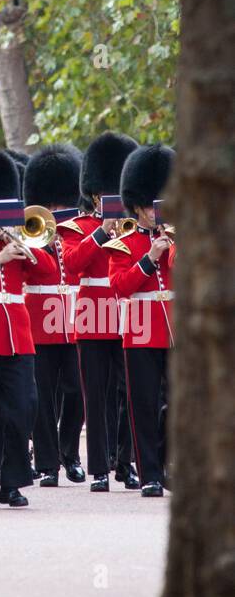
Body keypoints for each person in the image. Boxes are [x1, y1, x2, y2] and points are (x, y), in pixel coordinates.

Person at [0, 149, 61, 508]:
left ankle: (13, 483)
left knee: (23, 410)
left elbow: (48, 270)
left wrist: (24, 246)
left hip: (19, 340)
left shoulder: (17, 242)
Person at [61, 131, 140, 492]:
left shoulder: (135, 228)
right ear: (95, 195)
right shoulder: (77, 228)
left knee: (129, 394)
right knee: (96, 395)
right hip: (93, 314)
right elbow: (74, 265)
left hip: (125, 314)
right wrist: (101, 234)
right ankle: (99, 469)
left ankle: (125, 462)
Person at [106, 144, 175, 498]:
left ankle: (167, 464)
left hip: (177, 330)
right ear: (136, 206)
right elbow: (120, 286)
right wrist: (150, 257)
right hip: (141, 329)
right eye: (149, 205)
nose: (154, 211)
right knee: (143, 405)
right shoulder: (124, 244)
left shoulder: (182, 238)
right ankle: (149, 473)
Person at [22, 144, 86, 486]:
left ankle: (70, 453)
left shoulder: (78, 231)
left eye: (61, 204)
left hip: (74, 318)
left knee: (76, 391)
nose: (56, 211)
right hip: (39, 320)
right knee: (42, 396)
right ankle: (48, 463)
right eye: (51, 204)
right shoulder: (28, 231)